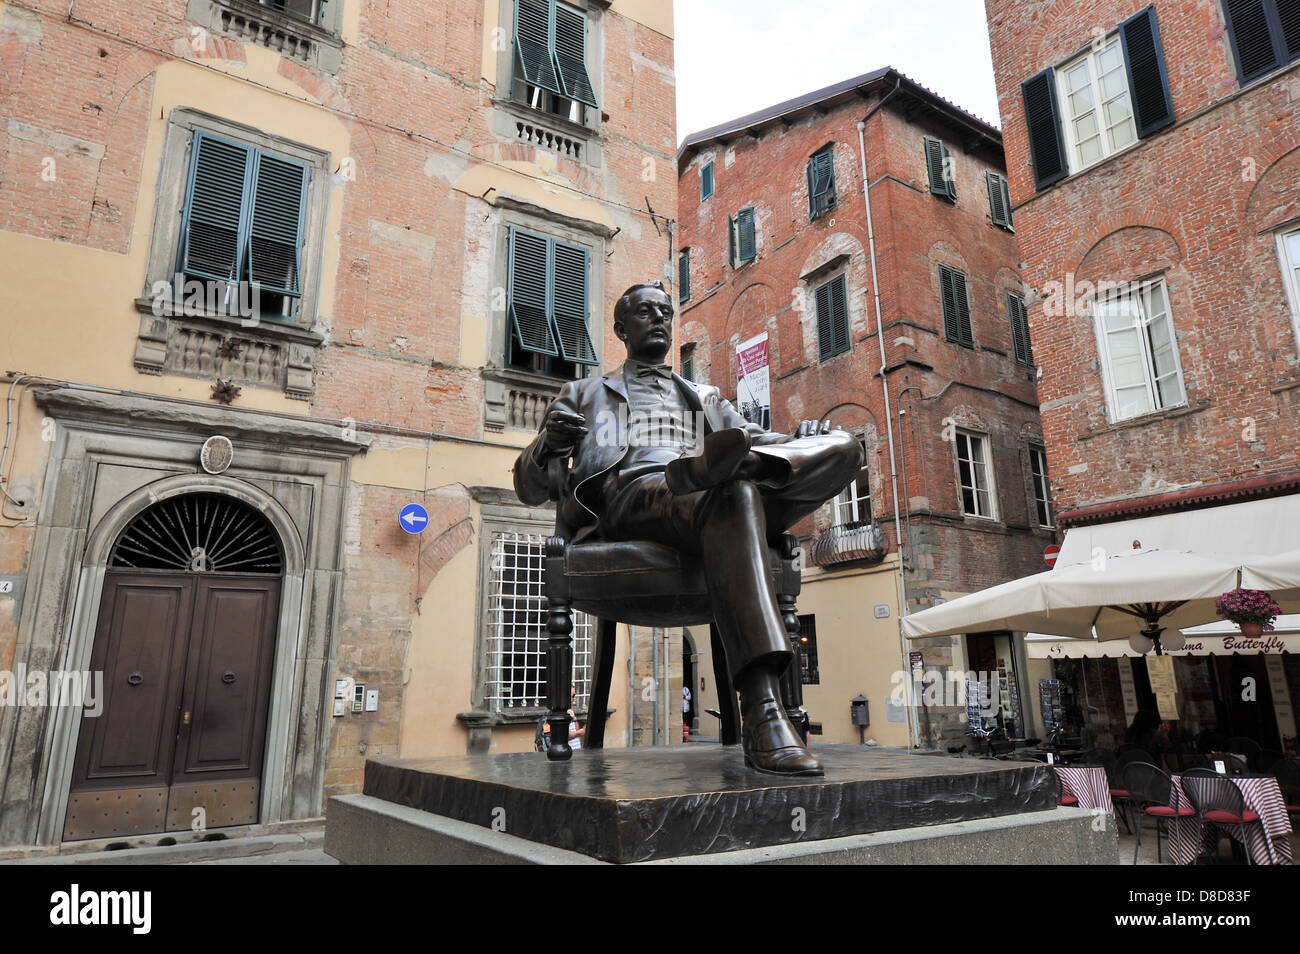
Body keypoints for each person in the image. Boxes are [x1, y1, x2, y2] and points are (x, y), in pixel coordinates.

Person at [514, 281, 861, 775]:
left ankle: (739, 472)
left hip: (710, 491)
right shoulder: (584, 393)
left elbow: (762, 436)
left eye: (664, 311)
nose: (658, 319)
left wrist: (806, 439)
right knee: (730, 490)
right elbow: (528, 487)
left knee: (841, 447)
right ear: (621, 329)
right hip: (632, 492)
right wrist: (548, 445)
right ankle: (764, 713)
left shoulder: (703, 396)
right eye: (644, 312)